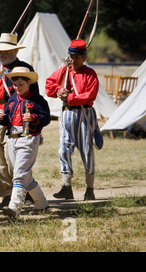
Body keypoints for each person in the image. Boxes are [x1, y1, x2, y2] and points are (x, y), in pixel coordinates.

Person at [0, 33, 38, 209]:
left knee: (15, 159)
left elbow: (32, 95)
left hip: (13, 116)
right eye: (0, 51)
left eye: (6, 50)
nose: (2, 54)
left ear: (14, 51)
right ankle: (6, 194)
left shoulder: (24, 69)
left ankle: (23, 192)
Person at [45, 39, 99, 200]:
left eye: (77, 57)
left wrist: (69, 97)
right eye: (71, 57)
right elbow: (49, 86)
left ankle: (89, 189)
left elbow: (90, 95)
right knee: (64, 149)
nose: (73, 60)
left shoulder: (90, 74)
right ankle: (66, 186)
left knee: (87, 151)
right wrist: (59, 90)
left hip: (84, 114)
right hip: (67, 114)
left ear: (84, 57)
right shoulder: (64, 70)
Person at [0, 67, 50, 218]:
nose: (17, 87)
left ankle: (15, 206)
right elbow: (7, 118)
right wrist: (0, 116)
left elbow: (46, 117)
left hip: (29, 137)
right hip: (12, 138)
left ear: (28, 83)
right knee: (24, 174)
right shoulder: (12, 99)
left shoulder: (37, 99)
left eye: (21, 84)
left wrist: (34, 118)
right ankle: (41, 202)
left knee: (19, 173)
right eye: (15, 84)